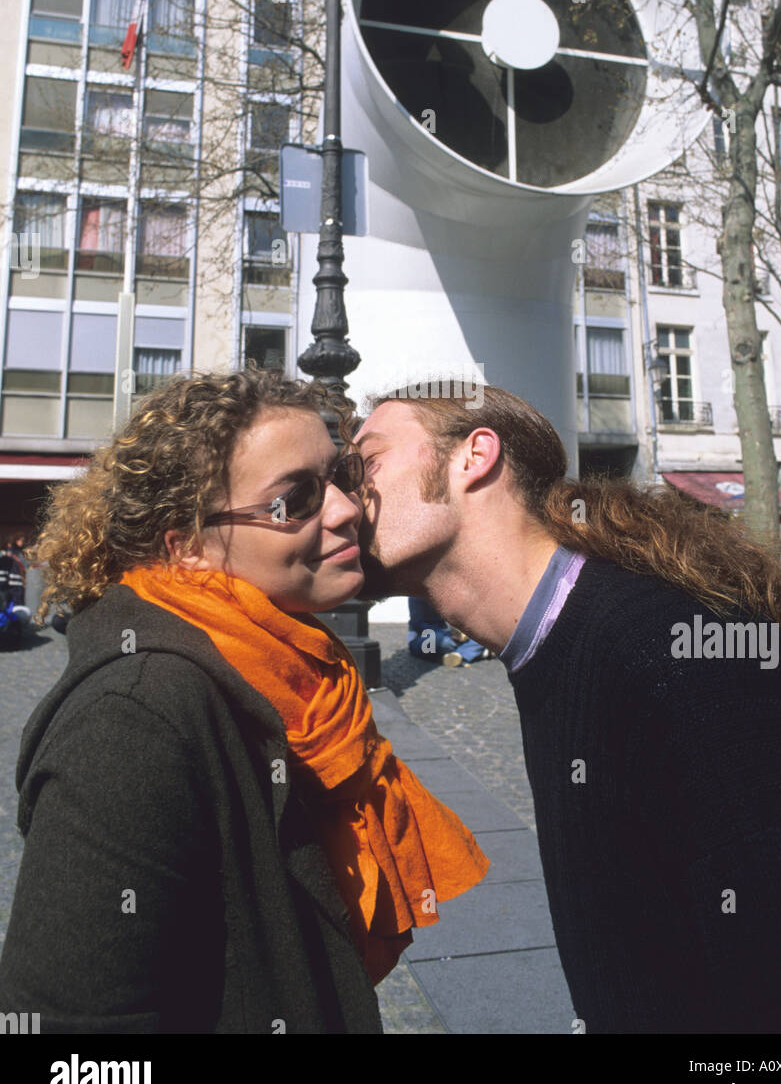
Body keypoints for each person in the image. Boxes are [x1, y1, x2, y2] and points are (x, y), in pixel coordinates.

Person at [353, 382, 781, 1035]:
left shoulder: (680, 651)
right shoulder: (558, 640)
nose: (342, 498)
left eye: (364, 463)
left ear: (472, 456)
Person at [0, 369, 488, 1033]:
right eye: (295, 501)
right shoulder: (137, 714)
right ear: (187, 548)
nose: (347, 508)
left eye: (342, 476)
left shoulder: (293, 668)